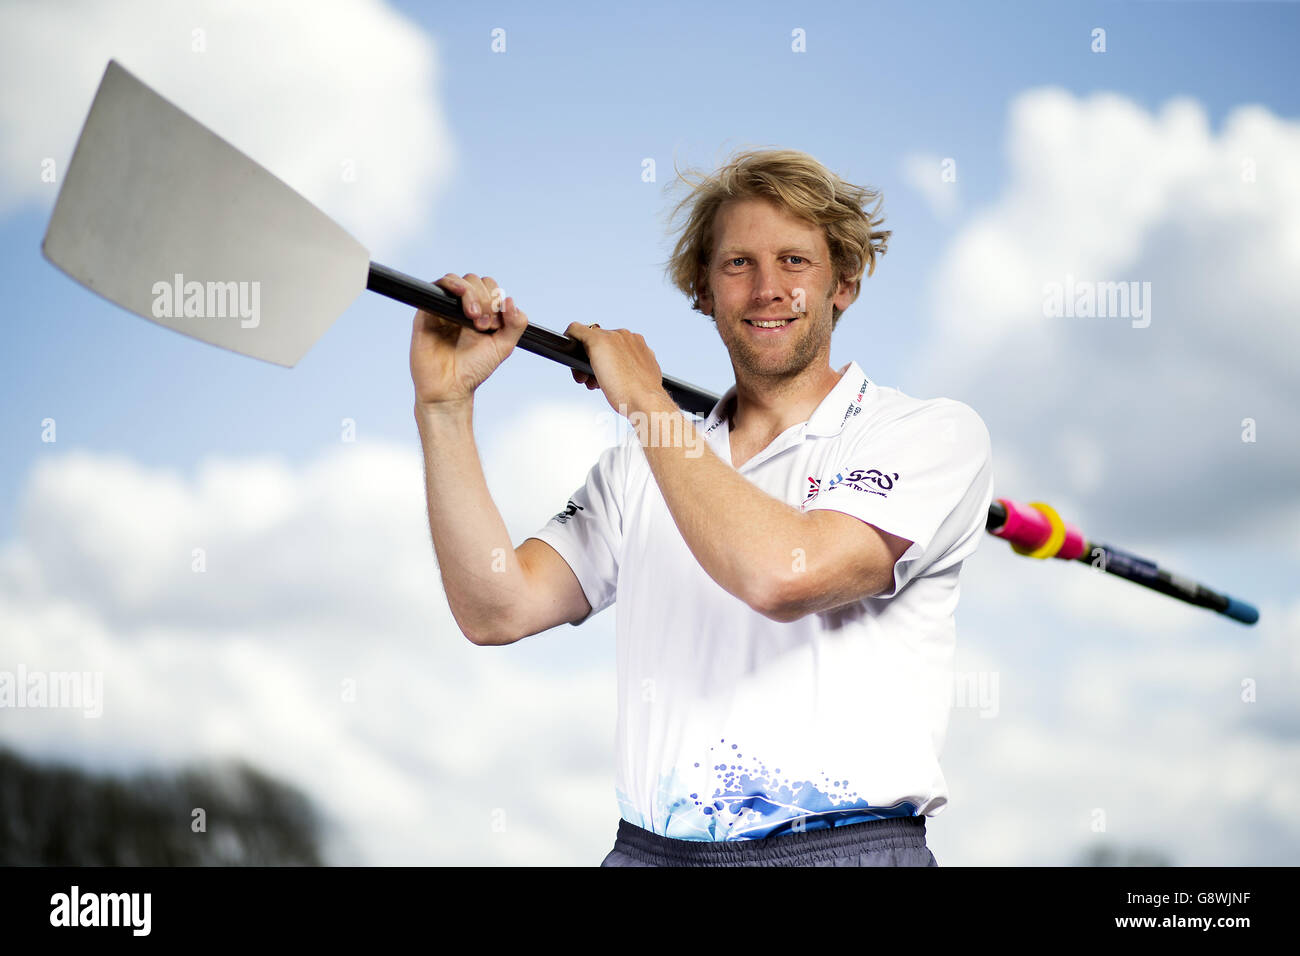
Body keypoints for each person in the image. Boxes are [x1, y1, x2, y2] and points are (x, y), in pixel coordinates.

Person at [410, 148, 994, 867]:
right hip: (649, 853)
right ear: (704, 290)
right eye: (738, 265)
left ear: (844, 283)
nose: (767, 289)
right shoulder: (641, 465)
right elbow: (495, 608)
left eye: (795, 262)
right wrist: (445, 406)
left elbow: (784, 575)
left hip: (845, 851)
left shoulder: (927, 433)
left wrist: (647, 404)